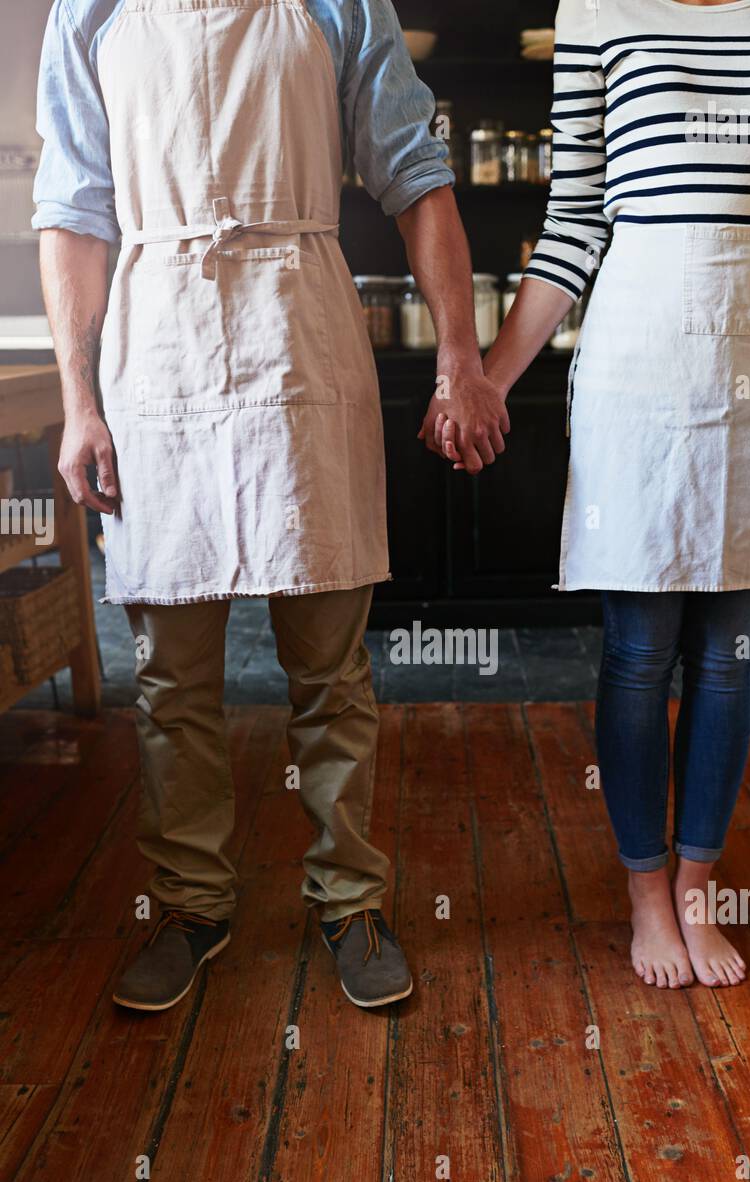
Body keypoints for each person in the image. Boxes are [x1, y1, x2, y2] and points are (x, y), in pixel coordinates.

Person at [33, 0, 509, 1012]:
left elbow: (418, 179)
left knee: (330, 668)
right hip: (157, 354)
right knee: (170, 676)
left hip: (299, 336)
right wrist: (79, 402)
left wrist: (459, 359)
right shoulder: (93, 10)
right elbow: (74, 210)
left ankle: (349, 898)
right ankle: (192, 904)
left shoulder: (339, 3)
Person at [430, 0, 750, 987]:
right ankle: (645, 893)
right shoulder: (596, 12)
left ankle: (695, 888)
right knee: (637, 651)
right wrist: (483, 380)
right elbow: (572, 225)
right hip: (637, 376)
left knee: (725, 655)